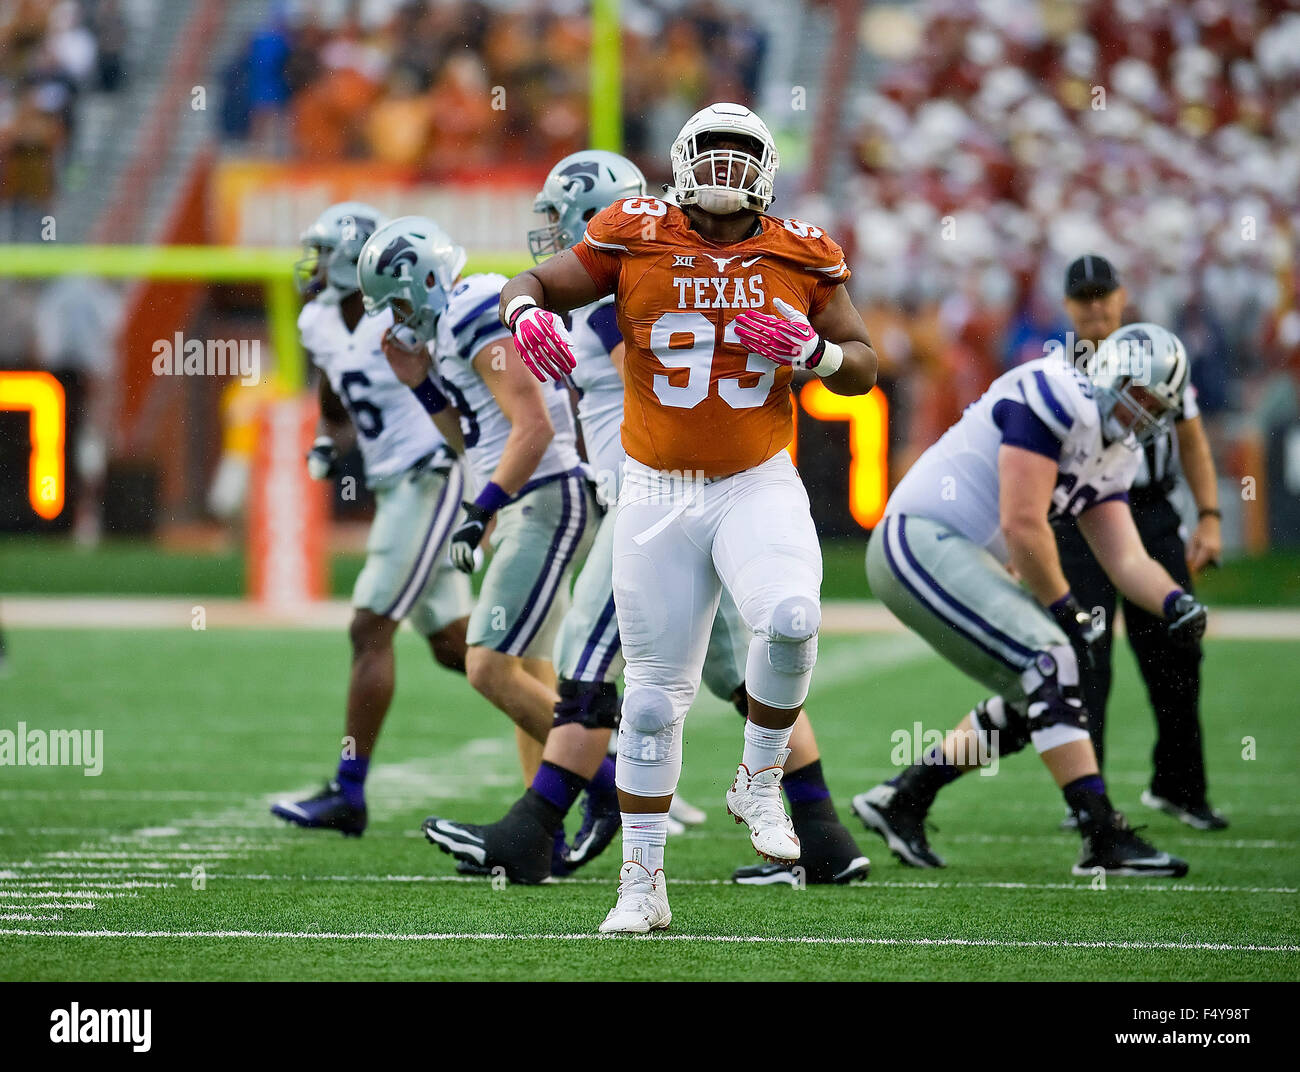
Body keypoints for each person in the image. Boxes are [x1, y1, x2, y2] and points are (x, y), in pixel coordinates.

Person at [422, 148, 869, 887]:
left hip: (661, 498)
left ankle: (539, 828)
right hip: (674, 499)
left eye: (563, 216)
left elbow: (662, 325)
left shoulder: (636, 281)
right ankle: (824, 833)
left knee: (589, 667)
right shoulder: (629, 269)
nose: (555, 231)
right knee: (733, 674)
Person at [853, 323, 1205, 877]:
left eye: (1159, 408)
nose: (1149, 417)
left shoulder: (1116, 454)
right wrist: (1068, 613)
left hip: (958, 554)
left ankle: (904, 797)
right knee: (1051, 661)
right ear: (1115, 376)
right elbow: (1022, 524)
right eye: (1144, 399)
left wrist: (1175, 602)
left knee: (1037, 694)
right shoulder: (1056, 395)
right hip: (917, 539)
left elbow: (1127, 559)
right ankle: (1100, 834)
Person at [357, 215, 598, 858]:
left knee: (486, 666)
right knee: (526, 668)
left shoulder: (471, 309)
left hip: (546, 497)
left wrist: (479, 508)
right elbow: (474, 435)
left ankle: (613, 779)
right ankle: (539, 836)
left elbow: (534, 427)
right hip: (527, 501)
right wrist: (421, 384)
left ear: (429, 278)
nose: (398, 316)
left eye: (401, 299)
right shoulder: (449, 325)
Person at [271, 203, 470, 836]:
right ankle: (588, 740)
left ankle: (348, 793)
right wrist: (331, 438)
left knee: (369, 627)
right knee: (459, 648)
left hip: (432, 474)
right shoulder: (319, 319)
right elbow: (336, 386)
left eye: (325, 253)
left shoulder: (404, 314)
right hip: (395, 484)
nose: (314, 266)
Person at [1053, 255, 1226, 830]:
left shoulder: (1155, 352)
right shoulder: (1059, 365)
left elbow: (1192, 438)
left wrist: (1208, 516)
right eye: (1084, 297)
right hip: (1080, 517)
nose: (1096, 305)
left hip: (1150, 512)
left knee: (1176, 648)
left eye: (1104, 293)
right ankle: (1089, 801)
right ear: (1067, 305)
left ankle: (1179, 785)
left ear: (1123, 295)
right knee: (1085, 659)